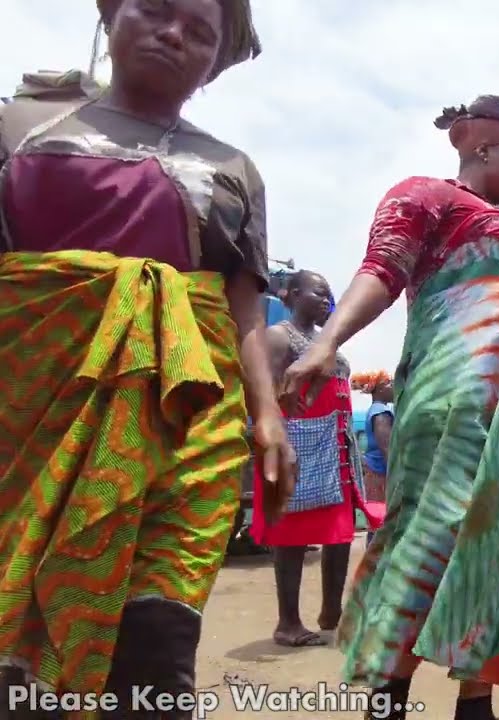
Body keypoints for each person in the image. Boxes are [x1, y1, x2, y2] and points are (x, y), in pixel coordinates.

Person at [279, 94, 499, 720]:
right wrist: (327, 341)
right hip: (447, 407)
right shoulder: (425, 196)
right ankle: (390, 696)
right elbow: (380, 271)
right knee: (424, 540)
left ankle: (475, 704)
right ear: (480, 148)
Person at [0, 0, 296, 704]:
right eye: (157, 11)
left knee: (157, 643)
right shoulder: (19, 129)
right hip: (34, 416)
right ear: (110, 11)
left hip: (187, 418)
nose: (174, 36)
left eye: (200, 32)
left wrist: (268, 417)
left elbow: (242, 300)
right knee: (26, 638)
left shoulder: (231, 168)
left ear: (218, 58)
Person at [252, 270, 382, 648]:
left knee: (339, 535)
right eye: (319, 291)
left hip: (335, 450)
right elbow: (269, 395)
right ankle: (287, 622)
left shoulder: (331, 348)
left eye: (331, 293)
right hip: (299, 445)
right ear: (290, 294)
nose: (327, 299)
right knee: (291, 536)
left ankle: (331, 613)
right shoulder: (279, 337)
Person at [352, 369, 395, 543]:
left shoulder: (375, 410)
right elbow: (387, 448)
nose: (394, 387)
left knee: (377, 522)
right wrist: (396, 474)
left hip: (375, 473)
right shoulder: (381, 413)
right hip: (381, 476)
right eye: (390, 383)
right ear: (381, 388)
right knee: (382, 522)